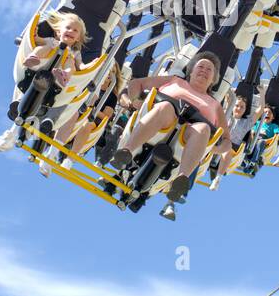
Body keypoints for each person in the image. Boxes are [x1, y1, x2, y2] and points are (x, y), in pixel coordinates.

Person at [110, 52, 230, 217]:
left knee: (203, 129)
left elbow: (227, 141)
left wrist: (213, 149)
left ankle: (182, 178)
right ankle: (127, 151)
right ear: (191, 71)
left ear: (213, 79)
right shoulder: (174, 81)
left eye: (209, 69)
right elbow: (137, 83)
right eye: (200, 66)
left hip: (187, 140)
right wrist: (133, 101)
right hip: (161, 123)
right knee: (165, 107)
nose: (204, 70)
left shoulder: (215, 105)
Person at [0, 12, 88, 152]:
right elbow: (36, 40)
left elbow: (81, 66)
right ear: (58, 30)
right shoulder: (51, 41)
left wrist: (90, 67)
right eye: (68, 28)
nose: (71, 31)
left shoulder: (74, 53)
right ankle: (33, 57)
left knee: (71, 62)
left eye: (75, 31)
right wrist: (34, 35)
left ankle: (64, 75)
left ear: (78, 37)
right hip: (38, 69)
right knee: (45, 47)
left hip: (54, 83)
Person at [40, 64, 124, 177]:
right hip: (82, 112)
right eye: (107, 72)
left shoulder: (111, 96)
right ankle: (50, 152)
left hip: (94, 119)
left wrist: (93, 109)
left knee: (86, 125)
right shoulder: (92, 85)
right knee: (68, 115)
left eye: (111, 73)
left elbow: (106, 116)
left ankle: (70, 159)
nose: (108, 75)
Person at [209, 94, 254, 190]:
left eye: (242, 107)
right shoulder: (225, 115)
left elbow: (260, 110)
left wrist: (262, 94)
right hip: (218, 141)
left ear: (245, 110)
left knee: (227, 149)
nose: (239, 108)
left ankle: (217, 178)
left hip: (232, 147)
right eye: (237, 105)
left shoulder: (246, 123)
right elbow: (226, 99)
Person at [243, 105, 279, 172]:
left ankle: (253, 162)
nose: (267, 114)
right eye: (265, 112)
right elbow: (253, 131)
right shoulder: (258, 123)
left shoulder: (273, 126)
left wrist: (278, 136)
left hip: (266, 141)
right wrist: (252, 135)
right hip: (254, 139)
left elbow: (278, 133)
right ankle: (245, 158)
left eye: (269, 112)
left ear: (273, 117)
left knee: (261, 142)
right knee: (247, 138)